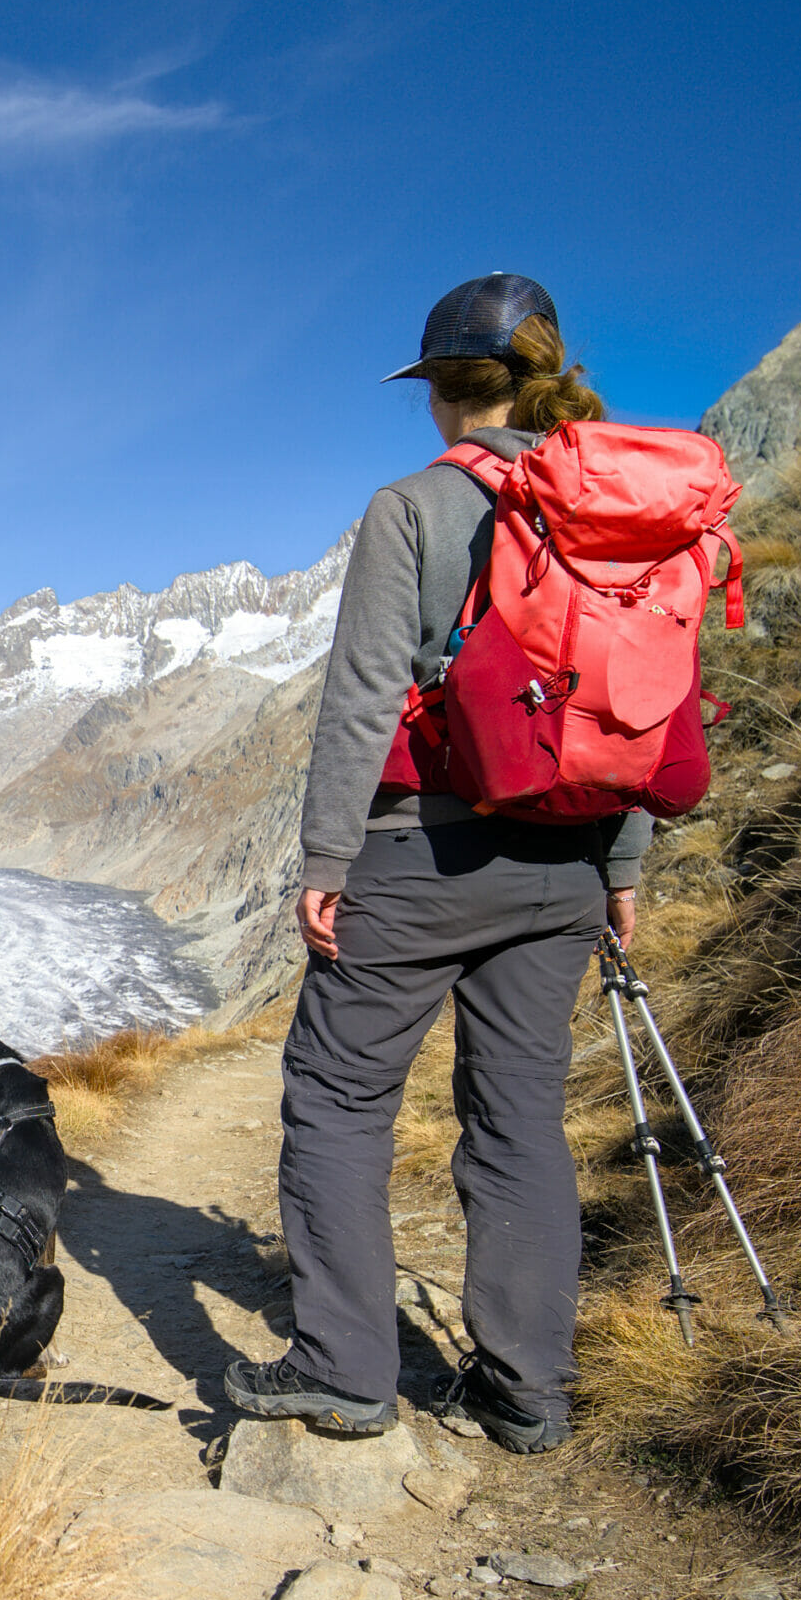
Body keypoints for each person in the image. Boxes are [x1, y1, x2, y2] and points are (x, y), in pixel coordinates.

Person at [220, 272, 646, 1456]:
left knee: (339, 1100)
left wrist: (324, 856)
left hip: (419, 857)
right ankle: (527, 1389)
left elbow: (361, 698)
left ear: (436, 393)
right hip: (565, 861)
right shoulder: (613, 509)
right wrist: (621, 859)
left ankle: (344, 1369)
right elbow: (637, 704)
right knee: (518, 1121)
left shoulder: (412, 507)